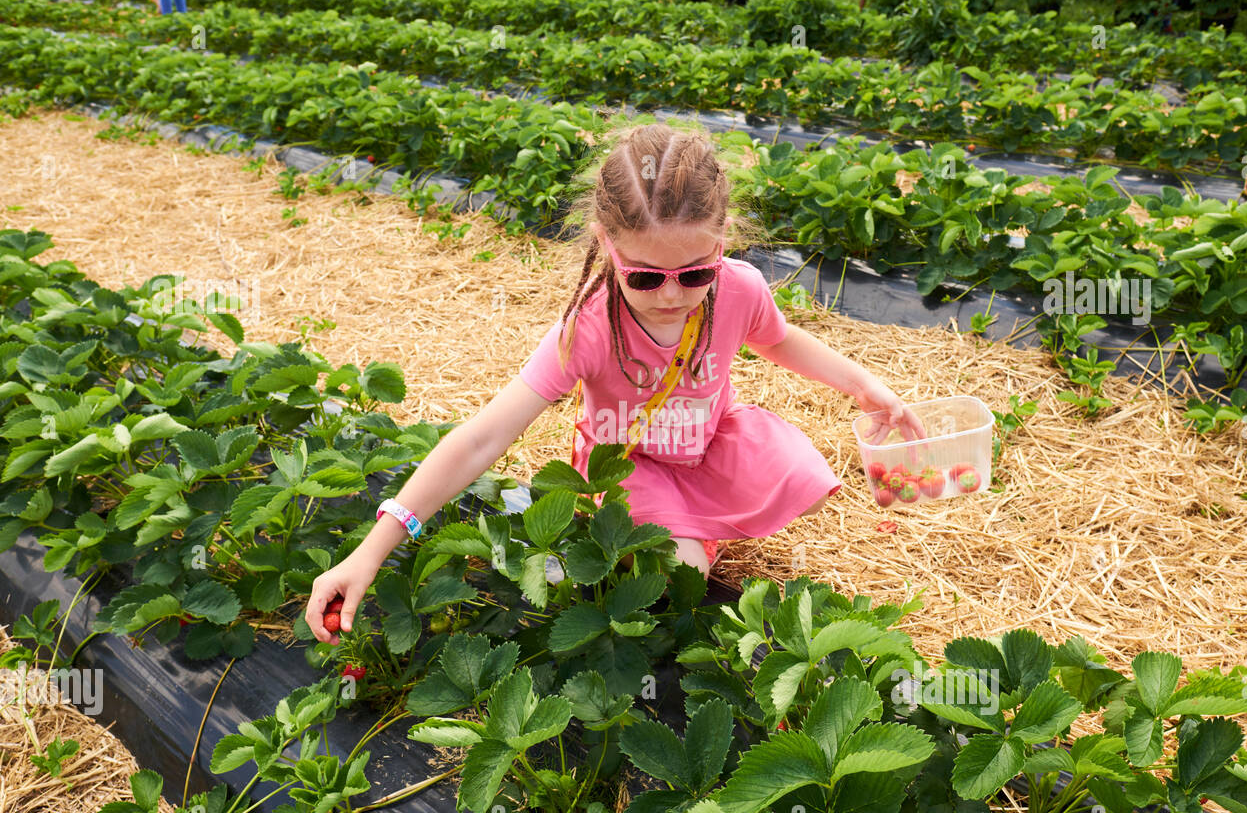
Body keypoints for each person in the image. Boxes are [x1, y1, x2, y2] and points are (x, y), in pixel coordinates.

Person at [304, 122, 924, 644]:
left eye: (695, 273)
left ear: (723, 242)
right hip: (631, 463)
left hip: (708, 441)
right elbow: (480, 440)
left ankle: (699, 519)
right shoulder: (589, 329)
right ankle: (685, 532)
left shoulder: (739, 289)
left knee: (805, 475)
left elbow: (778, 339)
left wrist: (864, 386)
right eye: (648, 278)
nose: (674, 295)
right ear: (607, 244)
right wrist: (372, 549)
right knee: (673, 584)